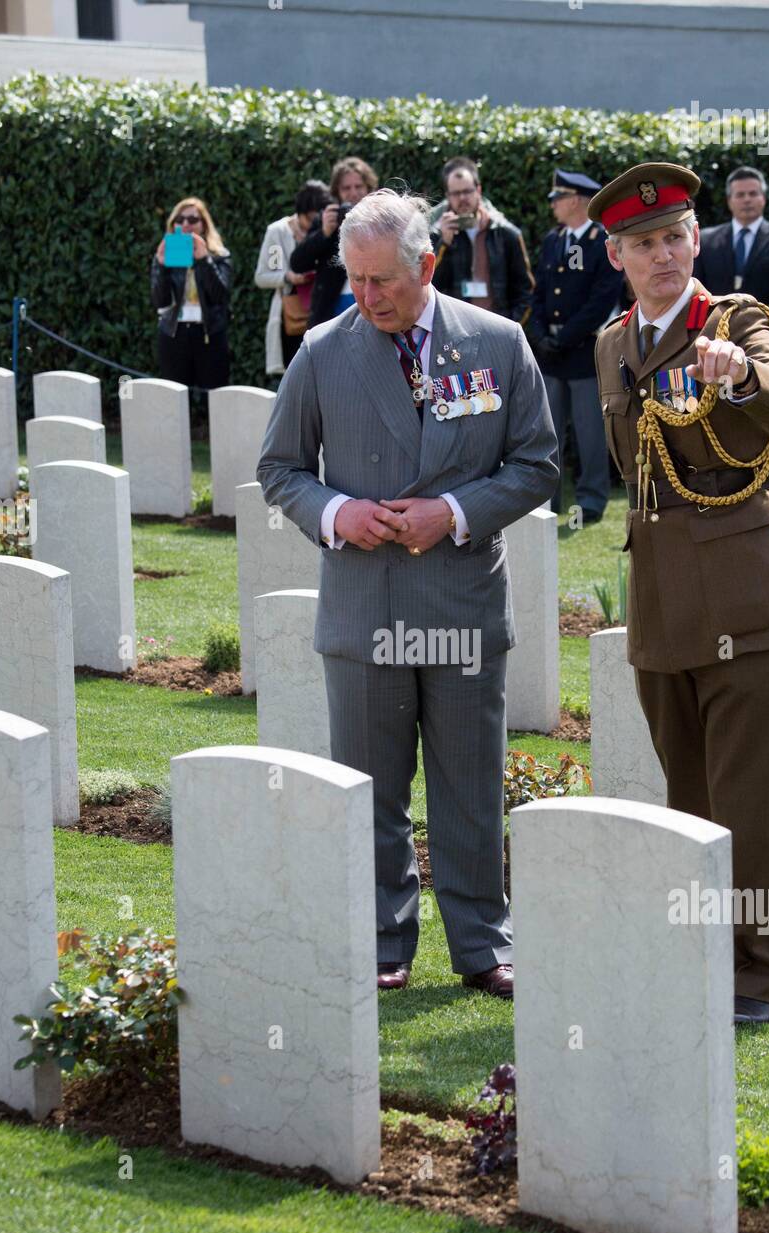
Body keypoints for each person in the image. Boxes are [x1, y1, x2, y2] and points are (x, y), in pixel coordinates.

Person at [257, 189, 558, 999]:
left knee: (470, 786)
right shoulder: (323, 351)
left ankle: (482, 945)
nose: (365, 296)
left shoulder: (496, 342)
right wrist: (335, 512)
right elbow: (278, 469)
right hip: (366, 609)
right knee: (371, 790)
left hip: (461, 608)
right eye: (354, 280)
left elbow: (537, 463)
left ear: (427, 265)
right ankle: (383, 940)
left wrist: (454, 512)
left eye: (382, 280)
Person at [589, 161, 769, 1026]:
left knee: (752, 799)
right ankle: (702, 952)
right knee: (687, 797)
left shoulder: (735, 322)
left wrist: (737, 377)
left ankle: (761, 975)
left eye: (674, 237)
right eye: (642, 243)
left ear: (697, 239)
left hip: (748, 600)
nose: (662, 254)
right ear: (616, 255)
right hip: (662, 602)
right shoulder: (613, 343)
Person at [694, 166, 769, 523]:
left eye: (752, 193)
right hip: (713, 354)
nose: (746, 200)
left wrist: (757, 319)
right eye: (740, 194)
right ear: (729, 200)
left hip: (767, 350)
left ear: (763, 197)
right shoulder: (709, 240)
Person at [530, 169, 623, 519]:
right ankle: (546, 500)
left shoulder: (603, 242)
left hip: (584, 349)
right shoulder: (554, 239)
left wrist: (565, 336)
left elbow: (602, 299)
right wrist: (539, 332)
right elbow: (539, 290)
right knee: (548, 431)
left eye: (558, 198)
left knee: (589, 431)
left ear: (576, 200)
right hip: (552, 351)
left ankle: (591, 499)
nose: (553, 204)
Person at [430, 157, 534, 324]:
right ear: (447, 196)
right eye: (456, 193)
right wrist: (445, 244)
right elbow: (426, 288)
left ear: (478, 190)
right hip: (455, 331)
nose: (462, 198)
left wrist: (511, 329)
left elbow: (525, 291)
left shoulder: (505, 234)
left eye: (468, 191)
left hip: (497, 330)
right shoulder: (435, 235)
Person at [152, 196, 232, 391]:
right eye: (180, 220)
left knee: (214, 397)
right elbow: (159, 301)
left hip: (209, 334)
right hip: (174, 333)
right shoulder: (166, 255)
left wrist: (204, 260)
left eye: (193, 219)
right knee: (174, 399)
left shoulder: (219, 256)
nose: (186, 224)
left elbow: (220, 295)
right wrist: (161, 267)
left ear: (203, 224)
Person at [288, 157, 378, 326]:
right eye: (346, 188)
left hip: (373, 305)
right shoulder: (328, 218)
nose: (353, 193)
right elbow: (297, 263)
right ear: (337, 192)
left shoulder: (382, 216)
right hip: (332, 309)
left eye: (358, 186)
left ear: (368, 188)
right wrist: (323, 233)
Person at [254, 180, 331, 374]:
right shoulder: (279, 232)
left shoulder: (329, 230)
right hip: (291, 315)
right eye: (310, 218)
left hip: (322, 309)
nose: (313, 224)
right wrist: (289, 277)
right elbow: (263, 276)